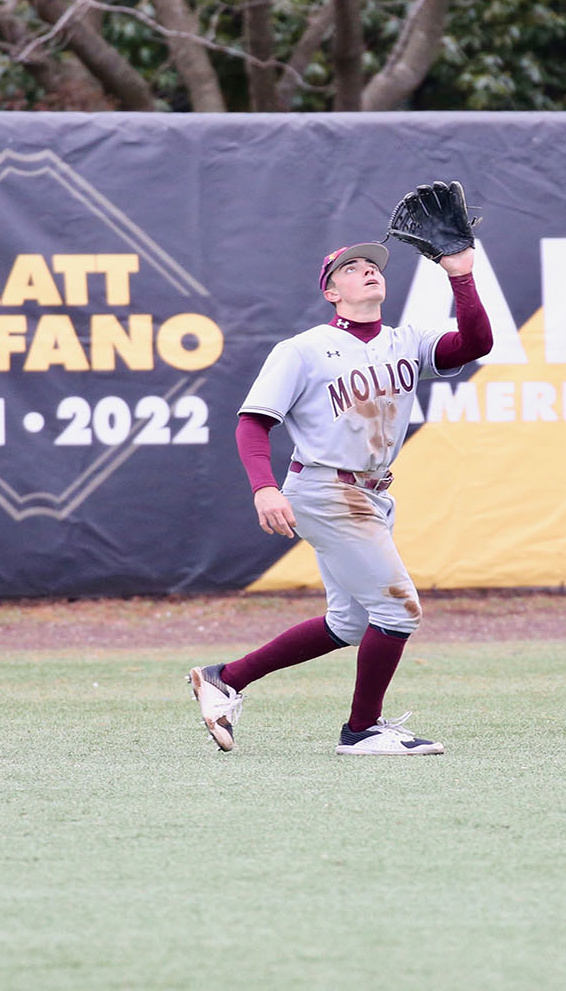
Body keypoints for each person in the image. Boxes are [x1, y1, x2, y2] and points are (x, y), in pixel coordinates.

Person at [188, 195, 493, 755]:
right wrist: (264, 487)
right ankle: (361, 731)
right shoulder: (303, 350)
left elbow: (476, 343)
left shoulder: (408, 341)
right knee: (399, 610)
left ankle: (224, 677)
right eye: (350, 268)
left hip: (371, 495)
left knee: (349, 623)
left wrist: (461, 274)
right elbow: (253, 425)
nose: (367, 269)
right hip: (326, 489)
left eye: (372, 264)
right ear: (331, 291)